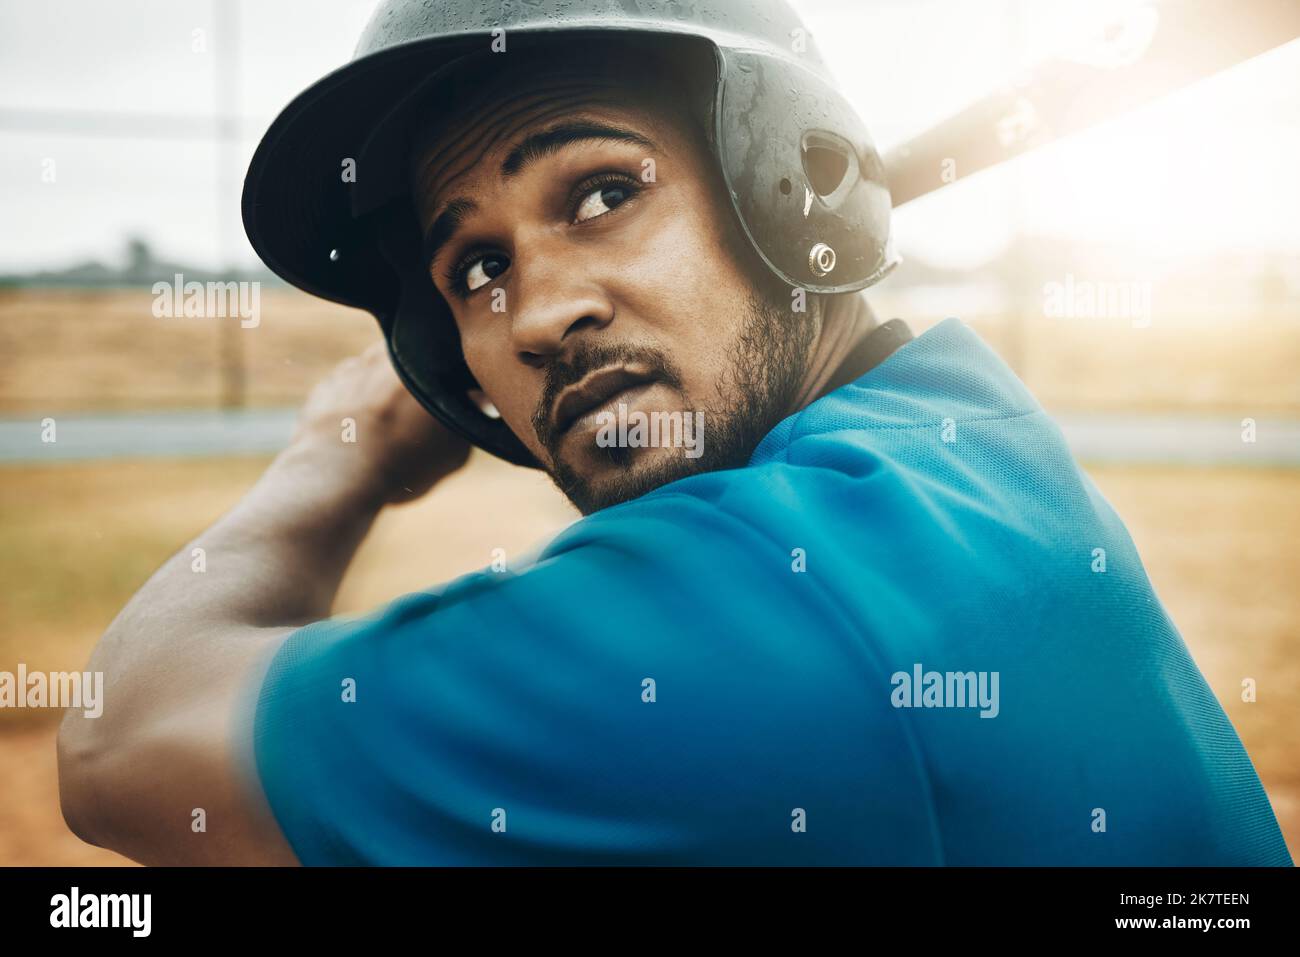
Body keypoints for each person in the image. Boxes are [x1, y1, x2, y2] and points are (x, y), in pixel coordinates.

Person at [57, 0, 1291, 866]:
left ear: (779, 197)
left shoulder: (766, 603)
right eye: (476, 267)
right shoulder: (953, 433)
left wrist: (341, 454)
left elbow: (121, 745)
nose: (537, 312)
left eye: (604, 192)